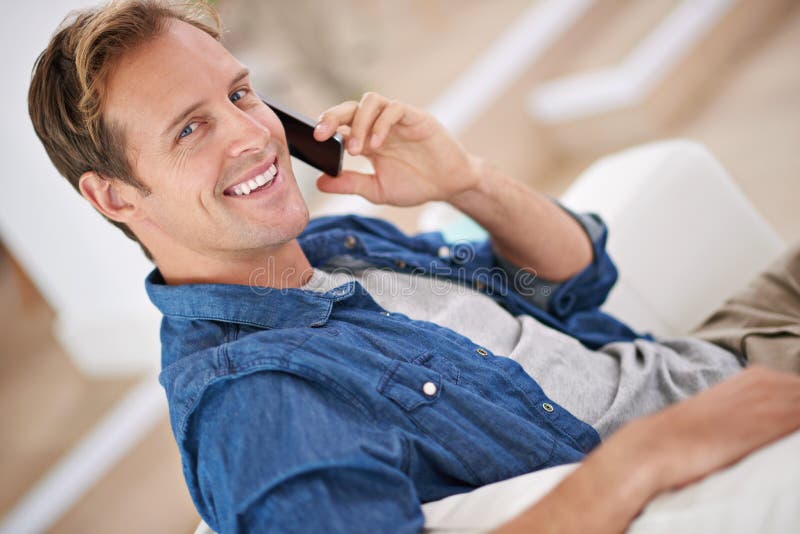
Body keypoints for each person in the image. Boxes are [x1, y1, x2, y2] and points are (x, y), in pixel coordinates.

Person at [27, 1, 800, 532]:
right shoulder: (254, 398)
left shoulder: (340, 245)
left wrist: (466, 181)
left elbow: (570, 282)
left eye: (239, 93)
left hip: (717, 353)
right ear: (116, 196)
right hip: (735, 433)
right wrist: (637, 464)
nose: (252, 135)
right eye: (191, 128)